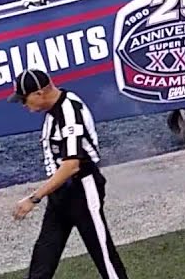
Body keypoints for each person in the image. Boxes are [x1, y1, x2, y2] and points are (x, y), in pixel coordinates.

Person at [9, 69, 130, 279]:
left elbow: (72, 165)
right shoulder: (53, 109)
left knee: (104, 256)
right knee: (43, 259)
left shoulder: (69, 112)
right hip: (60, 192)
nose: (23, 105)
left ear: (39, 93)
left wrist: (34, 198)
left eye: (24, 99)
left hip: (82, 190)